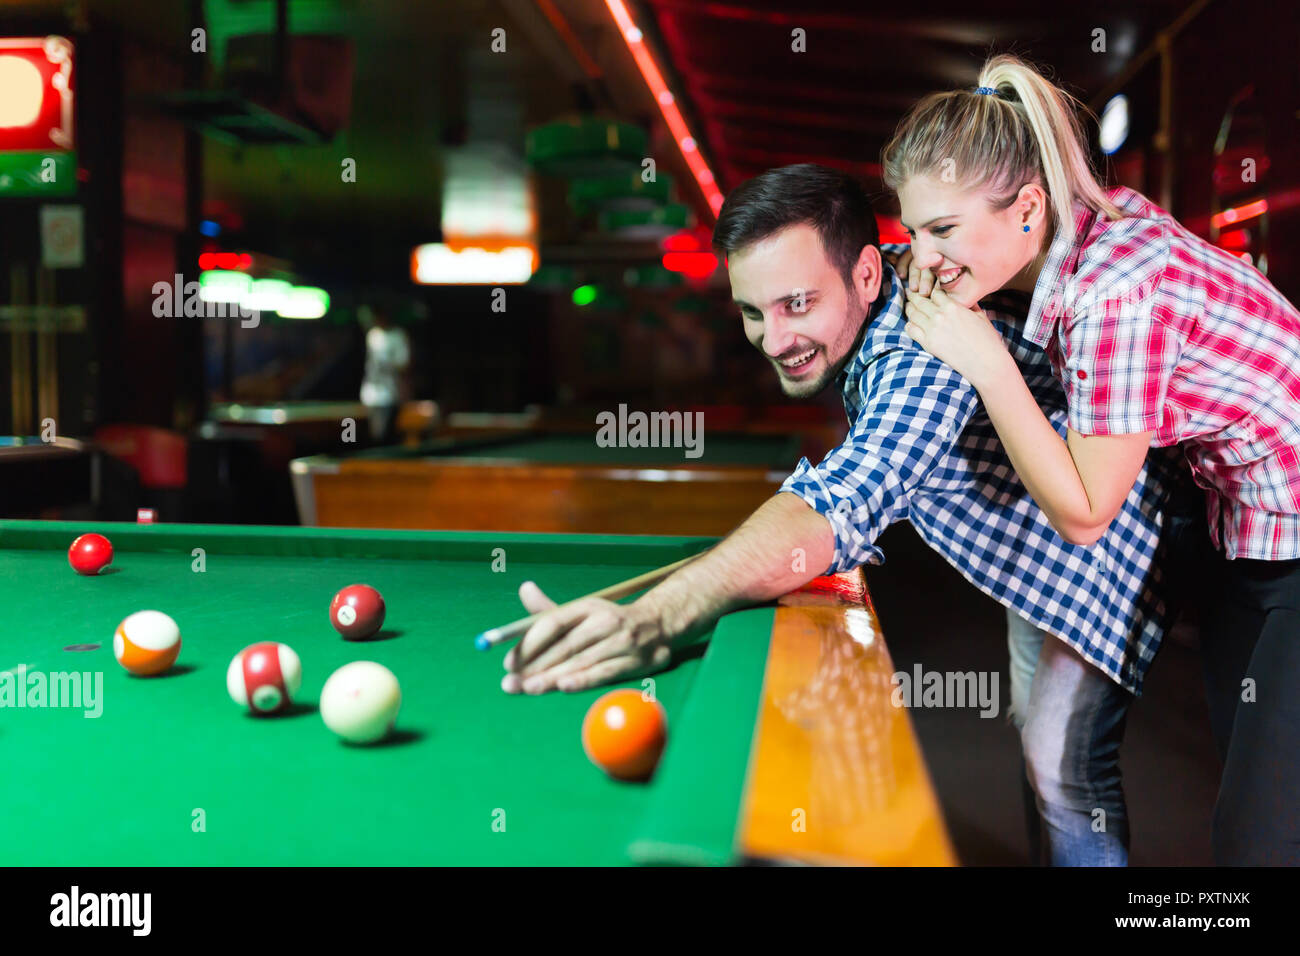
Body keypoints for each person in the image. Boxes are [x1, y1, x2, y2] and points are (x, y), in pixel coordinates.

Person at [500, 163, 1183, 865]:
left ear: (863, 275)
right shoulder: (887, 277)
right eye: (753, 311)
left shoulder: (918, 350)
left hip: (1104, 539)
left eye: (797, 303)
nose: (773, 339)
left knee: (1062, 767)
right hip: (1034, 547)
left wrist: (657, 616)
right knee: (1035, 741)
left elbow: (845, 498)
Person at [884, 53, 1300, 865]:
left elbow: (1083, 512)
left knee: (1262, 838)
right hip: (1242, 529)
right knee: (1256, 800)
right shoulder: (1084, 236)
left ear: (1029, 207)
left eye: (941, 230)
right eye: (912, 231)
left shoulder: (1114, 290)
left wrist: (985, 361)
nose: (924, 256)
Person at [359, 304, 410, 447]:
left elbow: (404, 364)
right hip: (370, 392)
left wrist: (387, 364)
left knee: (385, 435)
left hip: (390, 393)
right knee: (371, 434)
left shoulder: (398, 335)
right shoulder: (372, 335)